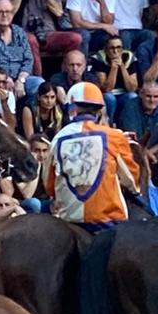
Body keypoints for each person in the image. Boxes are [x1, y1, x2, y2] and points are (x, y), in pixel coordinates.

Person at [42, 82, 142, 229]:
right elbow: (132, 180)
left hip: (69, 219)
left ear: (72, 109)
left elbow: (48, 185)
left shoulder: (58, 138)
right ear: (99, 111)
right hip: (109, 220)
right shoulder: (114, 136)